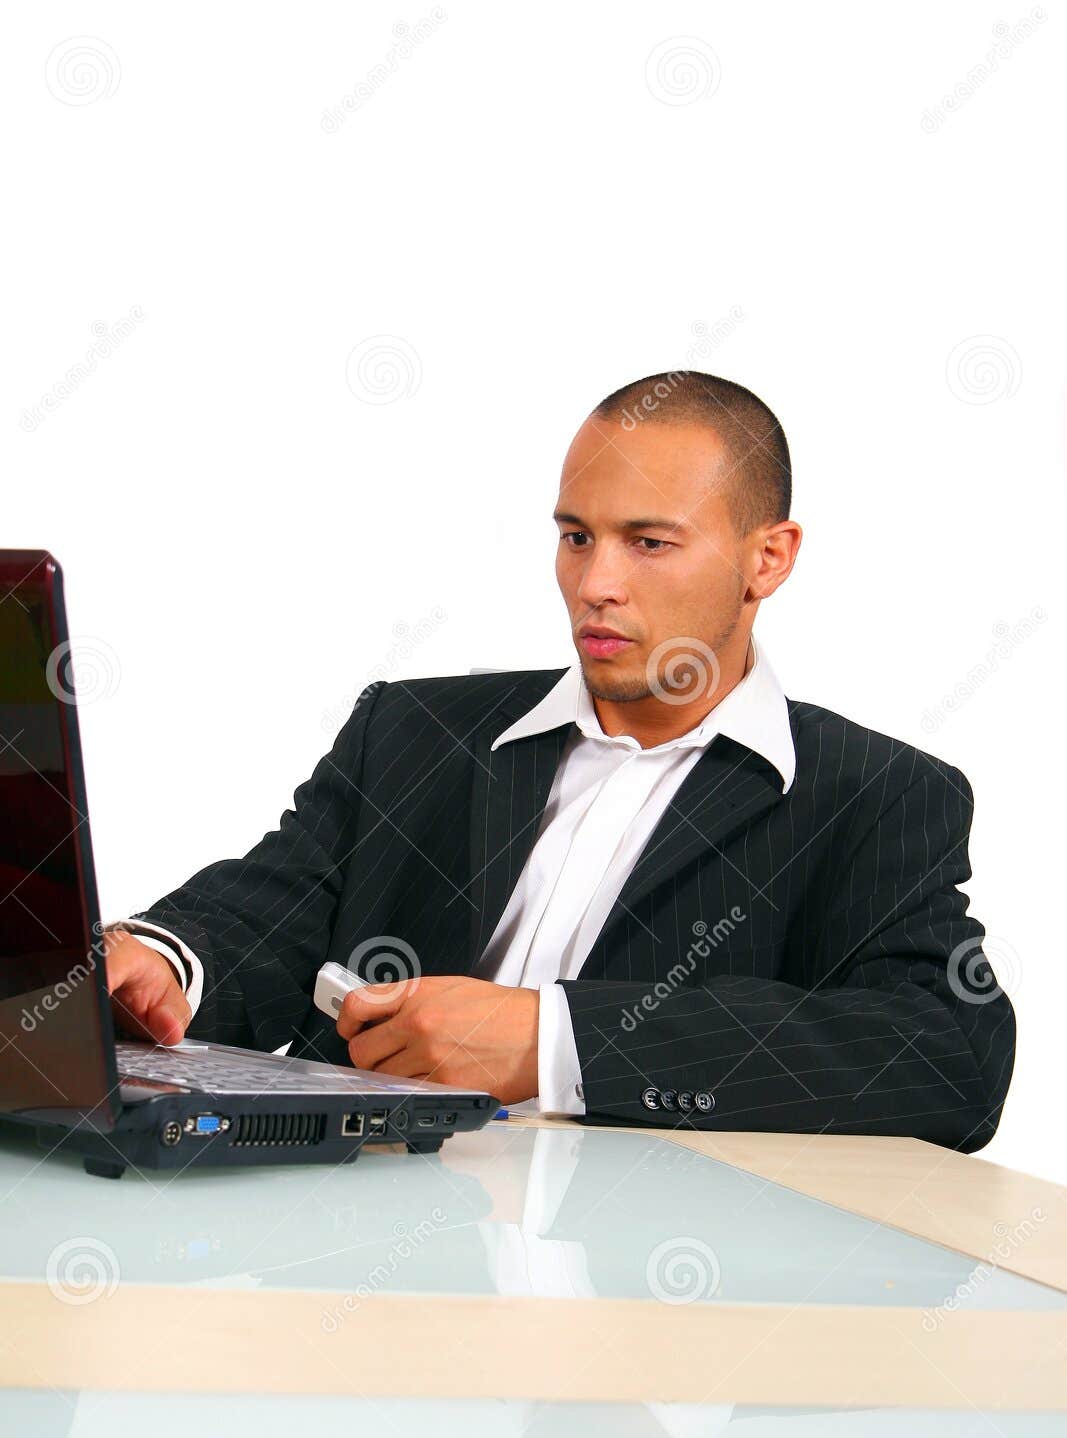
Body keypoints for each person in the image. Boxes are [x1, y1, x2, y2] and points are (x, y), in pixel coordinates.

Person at [105, 372, 1015, 1148]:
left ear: (767, 559)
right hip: (360, 1260)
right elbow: (277, 904)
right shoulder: (415, 729)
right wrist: (159, 960)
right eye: (576, 535)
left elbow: (946, 1055)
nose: (594, 584)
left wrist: (555, 1043)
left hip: (643, 1296)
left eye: (648, 543)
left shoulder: (871, 796)